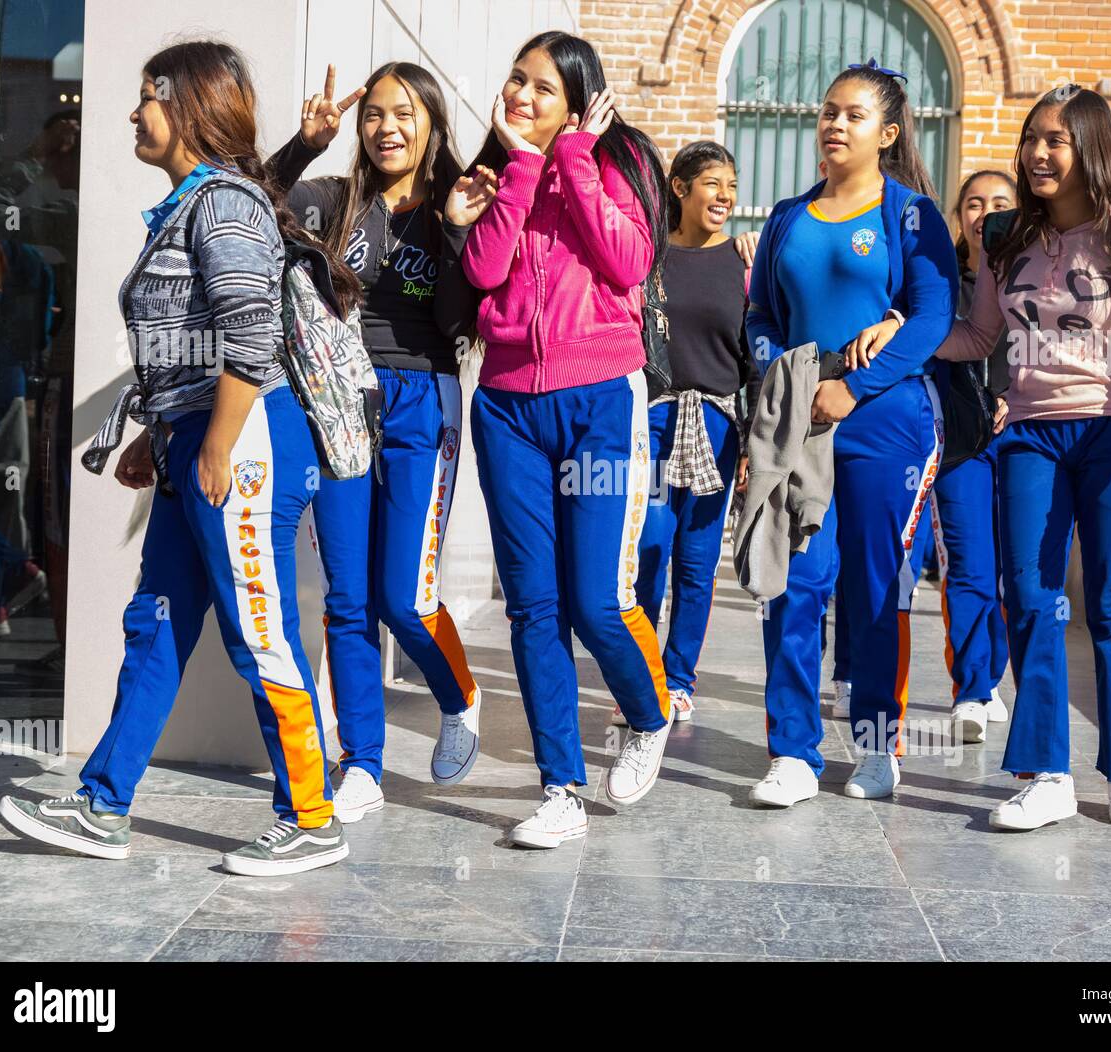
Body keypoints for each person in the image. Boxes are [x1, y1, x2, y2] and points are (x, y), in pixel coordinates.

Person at [0, 41, 361, 875]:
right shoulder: (196, 202)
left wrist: (217, 444)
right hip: (195, 439)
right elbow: (191, 343)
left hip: (241, 443)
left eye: (146, 97)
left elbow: (250, 334)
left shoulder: (223, 205)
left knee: (257, 628)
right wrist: (154, 435)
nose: (131, 112)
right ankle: (102, 804)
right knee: (154, 625)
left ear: (189, 105)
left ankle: (312, 815)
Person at [861, 86, 1111, 830]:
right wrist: (902, 333)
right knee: (1033, 599)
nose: (1038, 154)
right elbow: (978, 338)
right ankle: (1046, 773)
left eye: (1056, 142)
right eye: (1032, 140)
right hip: (1030, 436)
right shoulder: (1006, 235)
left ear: (1090, 150)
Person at [462, 31, 672, 847]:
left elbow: (626, 260)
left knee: (594, 600)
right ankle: (560, 790)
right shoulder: (495, 170)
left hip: (599, 399)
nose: (522, 95)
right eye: (516, 79)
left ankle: (647, 715)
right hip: (508, 405)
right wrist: (520, 167)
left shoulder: (619, 160)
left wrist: (575, 156)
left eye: (543, 87)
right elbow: (482, 272)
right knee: (533, 606)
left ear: (579, 100)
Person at [268, 63, 490, 821]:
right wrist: (303, 146)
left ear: (430, 120)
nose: (387, 126)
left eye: (404, 112)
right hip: (338, 399)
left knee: (404, 596)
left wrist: (460, 229)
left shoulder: (460, 198)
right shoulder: (336, 198)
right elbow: (254, 207)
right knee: (348, 597)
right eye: (375, 115)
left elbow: (467, 315)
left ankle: (459, 695)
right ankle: (362, 761)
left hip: (424, 398)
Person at [745, 58, 958, 807]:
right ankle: (794, 752)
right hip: (800, 419)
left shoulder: (911, 216)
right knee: (794, 581)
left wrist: (854, 386)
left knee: (873, 588)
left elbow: (933, 316)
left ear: (888, 133)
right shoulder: (785, 217)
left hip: (887, 424)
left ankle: (875, 745)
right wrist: (786, 372)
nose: (834, 124)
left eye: (854, 115)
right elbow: (761, 318)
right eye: (828, 111)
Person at [611, 140, 752, 725]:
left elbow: (755, 355)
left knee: (697, 561)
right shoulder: (648, 257)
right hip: (652, 417)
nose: (724, 196)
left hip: (717, 426)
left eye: (732, 187)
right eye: (713, 183)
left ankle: (680, 677)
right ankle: (643, 676)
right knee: (646, 549)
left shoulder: (745, 263)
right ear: (679, 188)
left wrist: (753, 444)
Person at [931, 170, 1016, 744]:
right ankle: (972, 690)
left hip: (1026, 439)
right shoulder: (940, 280)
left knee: (1017, 573)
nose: (985, 213)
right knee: (968, 565)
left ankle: (994, 674)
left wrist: (1015, 395)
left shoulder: (1034, 275)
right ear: (960, 215)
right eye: (974, 203)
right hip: (962, 443)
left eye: (1000, 204)